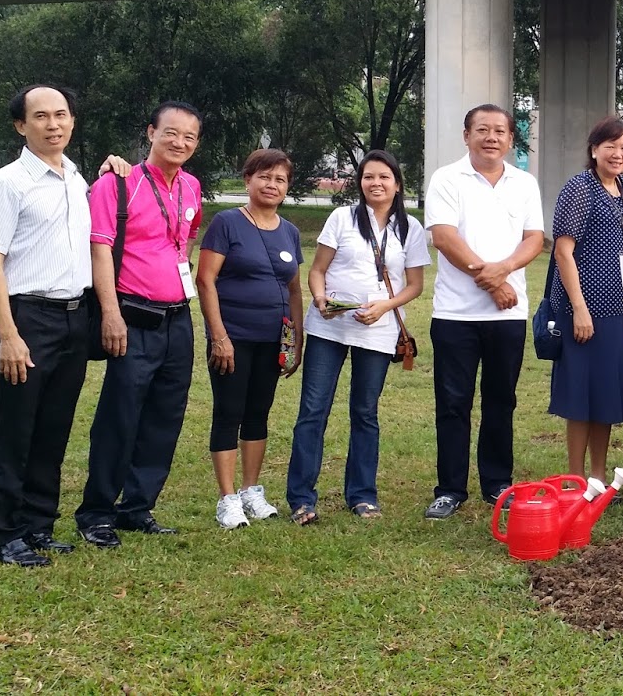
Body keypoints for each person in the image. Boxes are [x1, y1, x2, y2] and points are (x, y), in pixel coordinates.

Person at [0, 85, 98, 566]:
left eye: (62, 114)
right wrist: (8, 335)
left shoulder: (74, 176)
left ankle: (37, 525)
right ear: (21, 126)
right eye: (41, 116)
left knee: (54, 428)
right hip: (27, 318)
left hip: (73, 318)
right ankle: (3, 534)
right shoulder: (8, 182)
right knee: (16, 430)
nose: (54, 125)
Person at [76, 101, 205, 548]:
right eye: (170, 132)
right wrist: (111, 314)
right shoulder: (119, 183)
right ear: (151, 132)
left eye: (189, 136)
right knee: (120, 415)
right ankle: (96, 511)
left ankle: (137, 507)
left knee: (165, 415)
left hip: (178, 319)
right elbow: (100, 252)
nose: (179, 142)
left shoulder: (191, 187)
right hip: (132, 316)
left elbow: (183, 242)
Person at [288, 150, 428, 524]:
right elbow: (317, 271)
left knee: (365, 413)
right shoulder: (342, 218)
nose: (376, 183)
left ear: (397, 184)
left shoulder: (409, 228)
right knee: (313, 411)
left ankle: (362, 495)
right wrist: (320, 299)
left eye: (384, 177)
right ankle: (302, 498)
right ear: (359, 183)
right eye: (368, 177)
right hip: (329, 327)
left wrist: (385, 307)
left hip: (378, 331)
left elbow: (415, 285)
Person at [424, 105, 544, 519]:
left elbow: (534, 238)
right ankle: (450, 488)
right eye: (482, 130)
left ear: (511, 139)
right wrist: (493, 281)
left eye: (499, 131)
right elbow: (443, 236)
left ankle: (497, 484)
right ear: (466, 135)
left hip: (508, 316)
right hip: (456, 314)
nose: (491, 137)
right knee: (453, 402)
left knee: (500, 400)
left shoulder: (525, 184)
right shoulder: (446, 178)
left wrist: (505, 271)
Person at [195, 148, 304, 530]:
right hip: (233, 337)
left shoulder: (289, 231)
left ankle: (251, 490)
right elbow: (205, 280)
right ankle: (227, 500)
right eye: (264, 176)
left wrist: (296, 340)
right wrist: (219, 336)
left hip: (271, 338)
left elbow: (293, 290)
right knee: (229, 412)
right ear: (248, 180)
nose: (271, 185)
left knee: (259, 412)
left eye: (280, 179)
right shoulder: (227, 223)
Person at [548, 117, 623, 481]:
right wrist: (579, 308)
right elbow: (563, 252)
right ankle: (575, 478)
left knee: (605, 397)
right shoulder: (580, 189)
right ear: (594, 150)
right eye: (611, 146)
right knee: (580, 397)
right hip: (584, 311)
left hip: (618, 310)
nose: (618, 154)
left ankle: (597, 478)